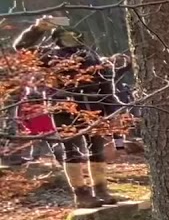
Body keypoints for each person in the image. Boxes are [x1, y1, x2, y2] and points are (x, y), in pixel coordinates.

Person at [13, 15, 119, 207]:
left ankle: (101, 189)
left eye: (73, 35)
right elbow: (21, 49)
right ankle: (81, 193)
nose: (69, 38)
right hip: (63, 108)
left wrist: (111, 114)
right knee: (71, 150)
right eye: (65, 35)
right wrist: (38, 29)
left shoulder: (93, 57)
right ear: (56, 38)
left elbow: (106, 88)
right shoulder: (49, 57)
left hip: (94, 106)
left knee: (97, 149)